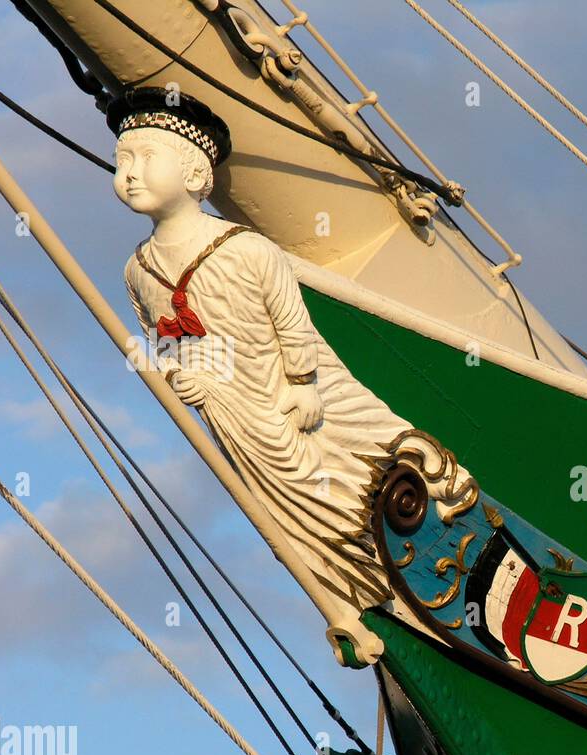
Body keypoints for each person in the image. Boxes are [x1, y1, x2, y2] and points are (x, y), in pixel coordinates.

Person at [110, 87, 472, 611]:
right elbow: (162, 339)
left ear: (194, 174)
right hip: (232, 417)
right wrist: (175, 374)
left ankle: (380, 555)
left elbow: (291, 323)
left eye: (146, 158)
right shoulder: (136, 270)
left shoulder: (247, 248)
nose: (129, 172)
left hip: (284, 400)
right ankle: (345, 575)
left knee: (331, 474)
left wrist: (302, 385)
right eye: (122, 161)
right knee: (281, 503)